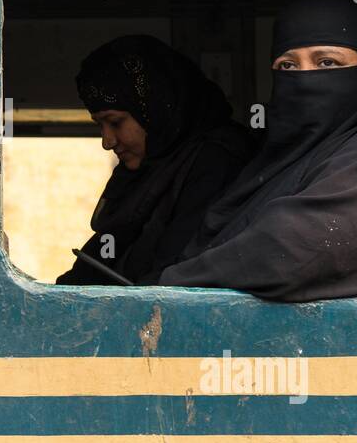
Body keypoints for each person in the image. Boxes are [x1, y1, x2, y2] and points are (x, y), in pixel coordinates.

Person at [158, 0, 357, 301]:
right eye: (287, 65)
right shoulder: (271, 161)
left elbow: (294, 249)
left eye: (327, 63)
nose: (303, 78)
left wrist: (170, 284)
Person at [57, 35, 257, 286]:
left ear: (155, 110)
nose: (107, 141)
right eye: (100, 125)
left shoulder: (217, 160)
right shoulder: (146, 169)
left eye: (116, 122)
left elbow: (177, 277)